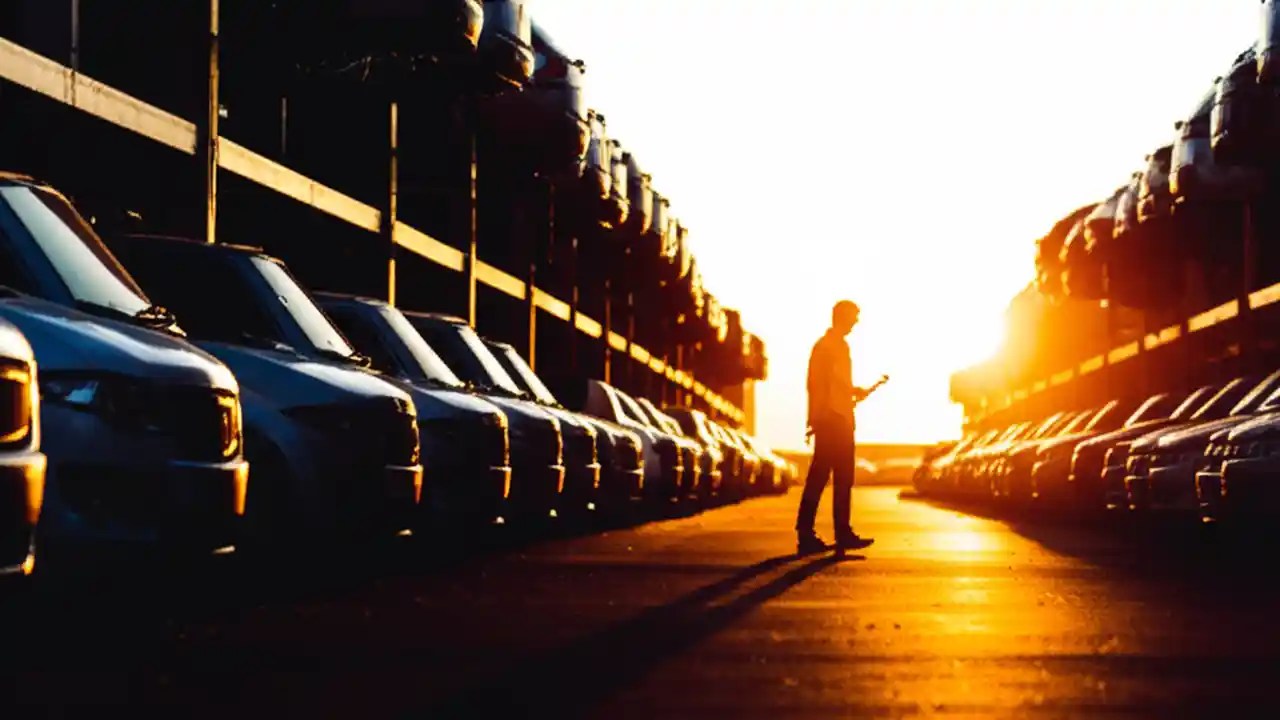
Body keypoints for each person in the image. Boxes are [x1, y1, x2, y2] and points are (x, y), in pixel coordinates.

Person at [795, 300, 876, 554]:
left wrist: (853, 391)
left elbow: (837, 382)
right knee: (821, 477)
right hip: (832, 419)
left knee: (842, 477)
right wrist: (816, 418)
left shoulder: (837, 346)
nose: (856, 322)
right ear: (842, 317)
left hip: (840, 417)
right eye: (854, 317)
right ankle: (808, 533)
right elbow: (818, 384)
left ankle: (840, 532)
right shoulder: (827, 347)